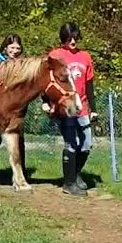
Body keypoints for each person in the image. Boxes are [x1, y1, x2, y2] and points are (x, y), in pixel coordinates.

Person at [48, 22, 96, 197]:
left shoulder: (85, 56)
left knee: (86, 145)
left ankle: (74, 174)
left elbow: (89, 84)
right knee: (72, 143)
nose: (73, 41)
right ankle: (68, 184)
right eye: (69, 38)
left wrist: (93, 108)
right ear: (63, 38)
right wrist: (47, 102)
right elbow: (47, 81)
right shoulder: (56, 55)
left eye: (75, 37)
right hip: (65, 108)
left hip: (82, 106)